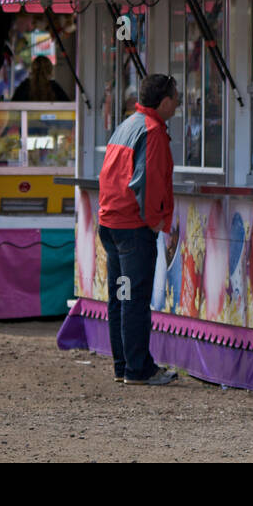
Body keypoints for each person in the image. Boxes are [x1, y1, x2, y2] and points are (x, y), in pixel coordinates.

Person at [98, 74, 180, 385]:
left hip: (111, 223)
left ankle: (123, 366)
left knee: (120, 297)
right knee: (135, 300)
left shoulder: (129, 124)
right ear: (164, 101)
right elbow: (150, 181)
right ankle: (138, 369)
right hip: (134, 228)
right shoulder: (154, 131)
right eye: (176, 97)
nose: (179, 102)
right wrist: (155, 220)